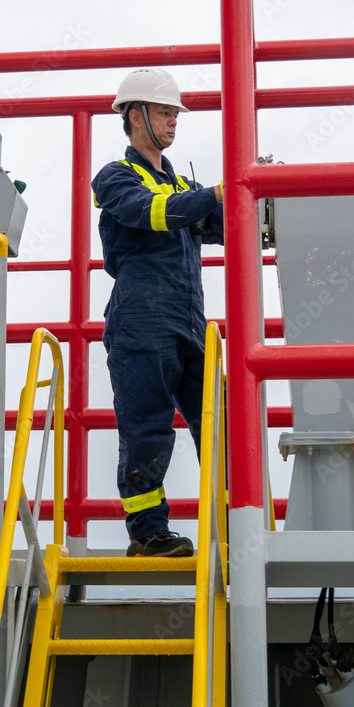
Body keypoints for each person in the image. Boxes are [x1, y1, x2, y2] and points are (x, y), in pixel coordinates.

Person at [91, 67, 224, 557]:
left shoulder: (184, 183)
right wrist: (215, 195)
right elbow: (154, 214)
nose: (174, 123)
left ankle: (236, 519)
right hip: (141, 321)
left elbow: (227, 224)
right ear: (135, 115)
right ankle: (147, 532)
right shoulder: (115, 177)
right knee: (147, 426)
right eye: (166, 113)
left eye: (174, 114)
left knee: (222, 424)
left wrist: (258, 193)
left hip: (190, 322)